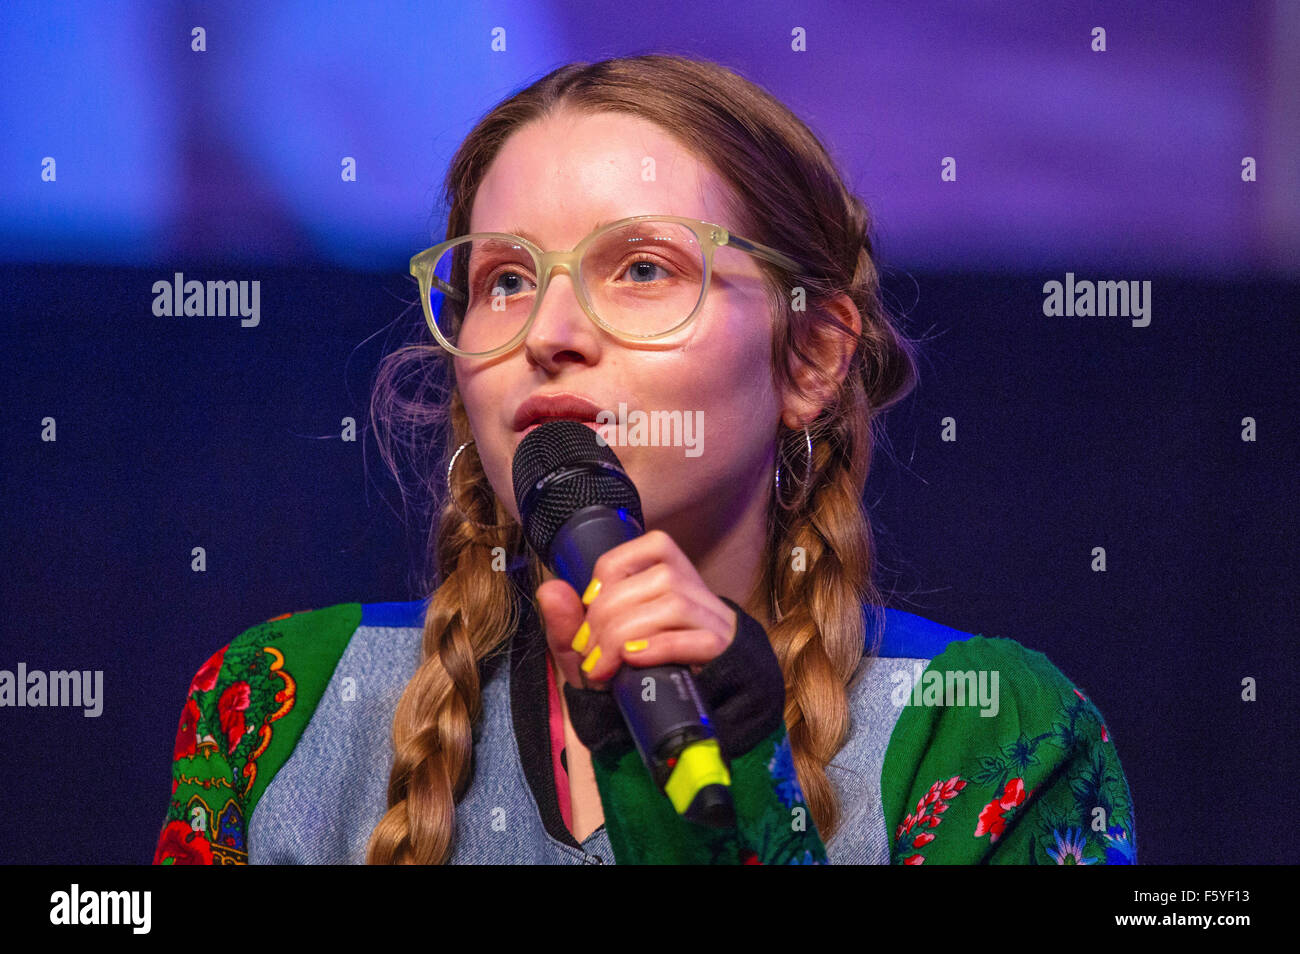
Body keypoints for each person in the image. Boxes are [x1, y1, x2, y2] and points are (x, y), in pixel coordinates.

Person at [154, 53, 1137, 866]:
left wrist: (726, 787)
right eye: (503, 280)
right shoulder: (284, 700)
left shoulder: (979, 729)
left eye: (640, 269)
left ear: (810, 358)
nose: (550, 331)